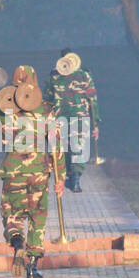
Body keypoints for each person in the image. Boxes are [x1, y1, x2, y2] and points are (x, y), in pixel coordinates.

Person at [0, 64, 63, 278]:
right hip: (39, 173)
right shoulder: (46, 109)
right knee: (37, 218)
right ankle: (33, 267)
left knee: (12, 215)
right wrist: (61, 178)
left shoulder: (4, 108)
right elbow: (57, 146)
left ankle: (18, 243)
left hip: (13, 173)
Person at [44, 48, 98, 192]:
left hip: (59, 118)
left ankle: (69, 177)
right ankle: (75, 180)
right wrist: (95, 123)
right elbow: (92, 101)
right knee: (78, 148)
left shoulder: (53, 76)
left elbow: (47, 100)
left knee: (64, 148)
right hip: (80, 118)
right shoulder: (85, 75)